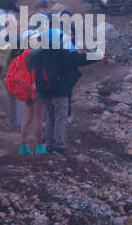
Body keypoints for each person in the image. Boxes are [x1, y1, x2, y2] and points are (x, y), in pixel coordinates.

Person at [28, 16, 91, 157]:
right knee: (60, 119)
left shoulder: (38, 54)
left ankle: (49, 145)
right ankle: (59, 147)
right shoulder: (61, 53)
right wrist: (97, 55)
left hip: (44, 91)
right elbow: (80, 60)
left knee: (49, 118)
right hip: (60, 91)